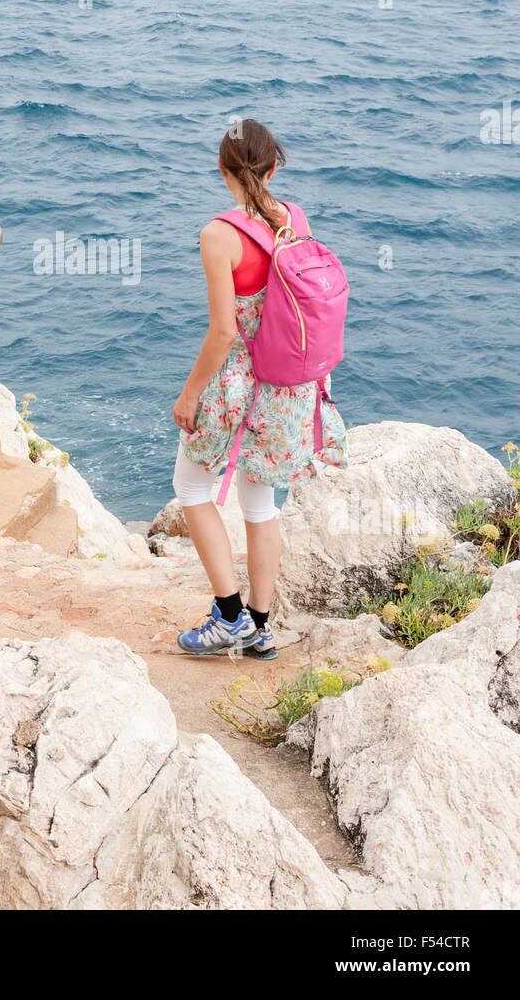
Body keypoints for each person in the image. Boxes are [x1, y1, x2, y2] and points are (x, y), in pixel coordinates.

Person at [172, 119, 348, 660]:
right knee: (260, 501)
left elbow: (225, 331)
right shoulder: (295, 218)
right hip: (290, 387)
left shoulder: (217, 235)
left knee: (192, 490)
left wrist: (189, 394)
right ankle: (261, 626)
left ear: (223, 170)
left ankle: (228, 615)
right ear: (274, 168)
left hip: (237, 389)